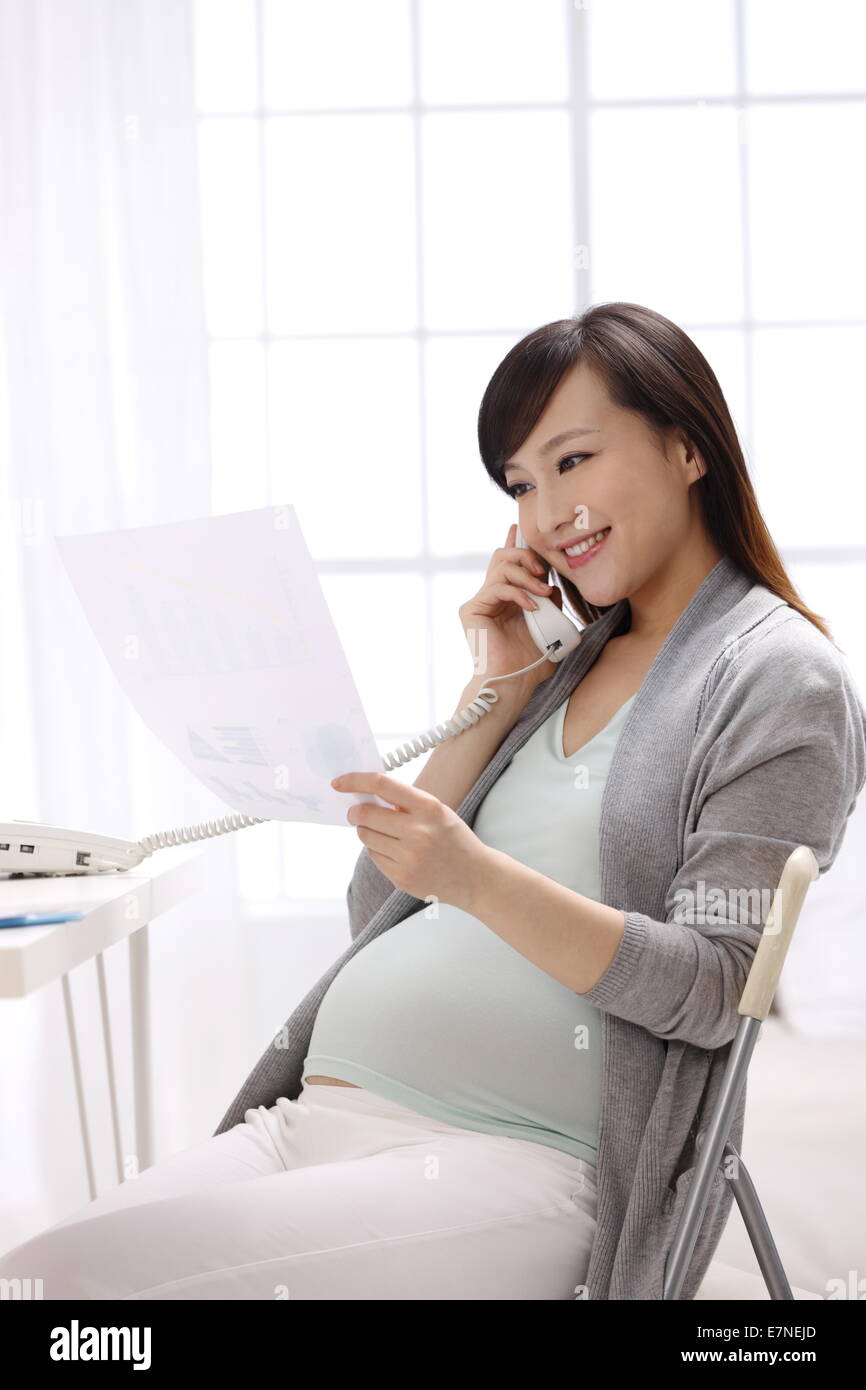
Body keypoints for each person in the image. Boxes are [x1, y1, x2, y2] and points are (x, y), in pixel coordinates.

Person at [2, 302, 863, 1300]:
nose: (547, 513)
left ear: (684, 446)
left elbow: (711, 989)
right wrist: (486, 696)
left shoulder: (777, 679)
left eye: (573, 461)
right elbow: (377, 911)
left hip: (513, 1154)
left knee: (69, 1282)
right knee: (30, 1273)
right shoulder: (560, 662)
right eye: (521, 484)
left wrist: (477, 878)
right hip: (315, 1121)